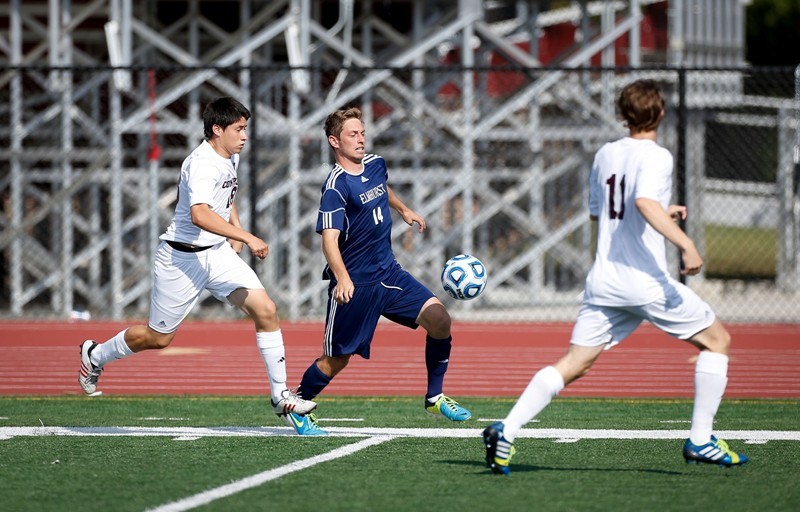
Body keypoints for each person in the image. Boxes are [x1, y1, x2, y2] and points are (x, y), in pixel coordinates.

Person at [483, 79, 748, 475]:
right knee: (717, 341)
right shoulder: (658, 156)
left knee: (574, 363)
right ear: (659, 114)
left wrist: (662, 210)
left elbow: (603, 212)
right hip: (643, 280)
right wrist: (685, 243)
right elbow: (641, 203)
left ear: (623, 116)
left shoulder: (606, 153)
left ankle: (508, 428)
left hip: (604, 281)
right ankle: (700, 440)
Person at [78, 96, 316, 426]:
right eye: (239, 129)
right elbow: (200, 214)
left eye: (246, 128)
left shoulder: (229, 155)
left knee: (266, 309)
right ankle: (96, 354)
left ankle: (280, 396)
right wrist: (247, 237)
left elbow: (226, 195)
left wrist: (235, 230)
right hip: (181, 259)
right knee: (158, 338)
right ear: (217, 129)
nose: (245, 135)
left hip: (216, 254)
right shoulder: (202, 163)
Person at [286, 107, 472, 436]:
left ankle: (435, 396)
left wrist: (404, 210)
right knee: (336, 360)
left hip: (389, 273)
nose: (360, 139)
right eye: (352, 135)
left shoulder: (375, 164)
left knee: (440, 320)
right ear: (334, 141)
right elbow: (329, 241)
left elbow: (382, 188)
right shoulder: (335, 187)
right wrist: (342, 278)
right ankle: (298, 404)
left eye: (361, 133)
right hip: (356, 285)